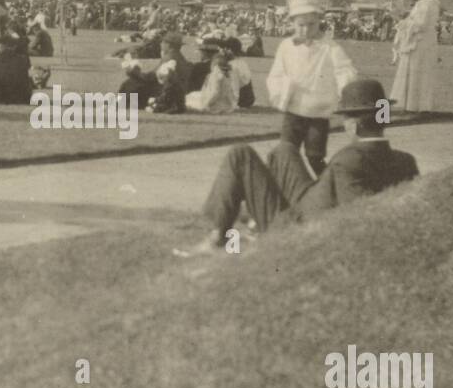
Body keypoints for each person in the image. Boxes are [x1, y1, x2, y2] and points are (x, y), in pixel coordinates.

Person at [179, 78, 418, 255]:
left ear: (354, 126)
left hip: (296, 224)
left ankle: (216, 237)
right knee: (285, 150)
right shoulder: (406, 161)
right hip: (312, 198)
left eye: (346, 118)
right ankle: (253, 219)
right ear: (384, 118)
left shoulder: (349, 160)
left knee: (240, 155)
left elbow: (355, 214)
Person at [265, 0, 357, 177]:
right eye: (301, 25)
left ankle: (327, 187)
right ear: (292, 23)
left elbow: (345, 71)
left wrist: (345, 90)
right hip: (294, 108)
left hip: (318, 111)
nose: (306, 30)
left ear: (319, 21)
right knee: (286, 152)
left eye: (311, 25)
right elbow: (276, 73)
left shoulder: (330, 48)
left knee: (315, 155)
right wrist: (280, 90)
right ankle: (283, 188)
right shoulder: (286, 46)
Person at [389, 0, 441, 113]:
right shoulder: (430, 2)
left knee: (415, 71)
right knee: (420, 72)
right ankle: (418, 106)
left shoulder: (426, 3)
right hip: (425, 40)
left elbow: (421, 24)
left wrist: (402, 22)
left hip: (420, 41)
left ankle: (414, 106)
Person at [0, 34, 34, 104]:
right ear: (14, 47)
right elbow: (25, 80)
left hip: (0, 96)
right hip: (20, 97)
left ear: (0, 45)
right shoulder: (22, 59)